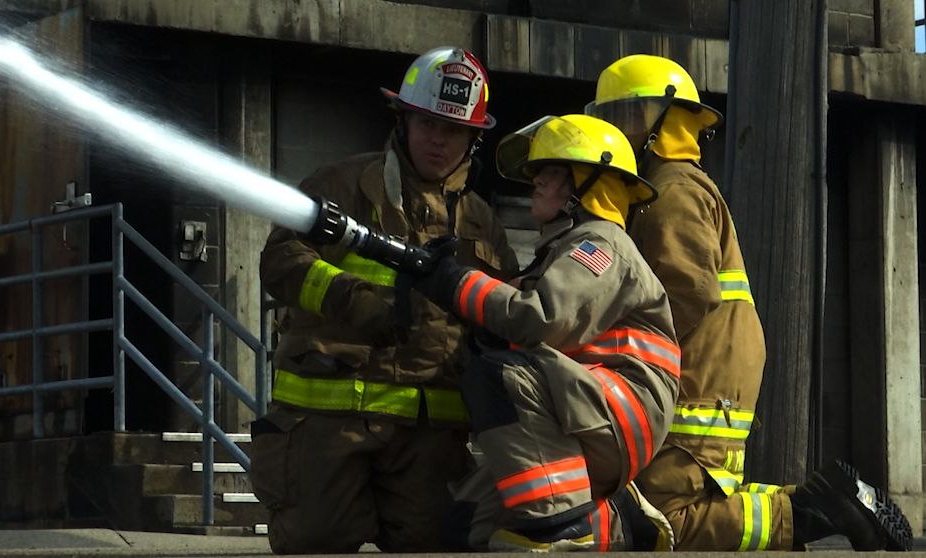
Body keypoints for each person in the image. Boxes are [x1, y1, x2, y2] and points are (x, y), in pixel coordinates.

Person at [587, 53, 912, 551]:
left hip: (697, 380)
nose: (616, 132)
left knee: (662, 517)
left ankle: (813, 513)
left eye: (625, 116)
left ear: (660, 120)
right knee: (707, 496)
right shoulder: (674, 188)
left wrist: (609, 350)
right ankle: (823, 503)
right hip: (710, 378)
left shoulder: (670, 191)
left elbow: (684, 292)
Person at [249, 46, 519, 554]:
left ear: (473, 138)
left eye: (454, 130)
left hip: (429, 436)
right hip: (329, 421)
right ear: (403, 120)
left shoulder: (483, 223)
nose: (439, 140)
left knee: (436, 545)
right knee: (317, 540)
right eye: (427, 123)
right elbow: (281, 259)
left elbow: (505, 312)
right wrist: (352, 298)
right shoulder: (343, 185)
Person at [409, 114, 680, 551]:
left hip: (620, 412)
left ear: (586, 186)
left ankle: (564, 529)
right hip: (579, 409)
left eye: (550, 172)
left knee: (497, 375)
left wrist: (454, 283)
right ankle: (614, 519)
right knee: (465, 529)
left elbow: (539, 319)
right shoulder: (560, 253)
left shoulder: (600, 244)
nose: (535, 181)